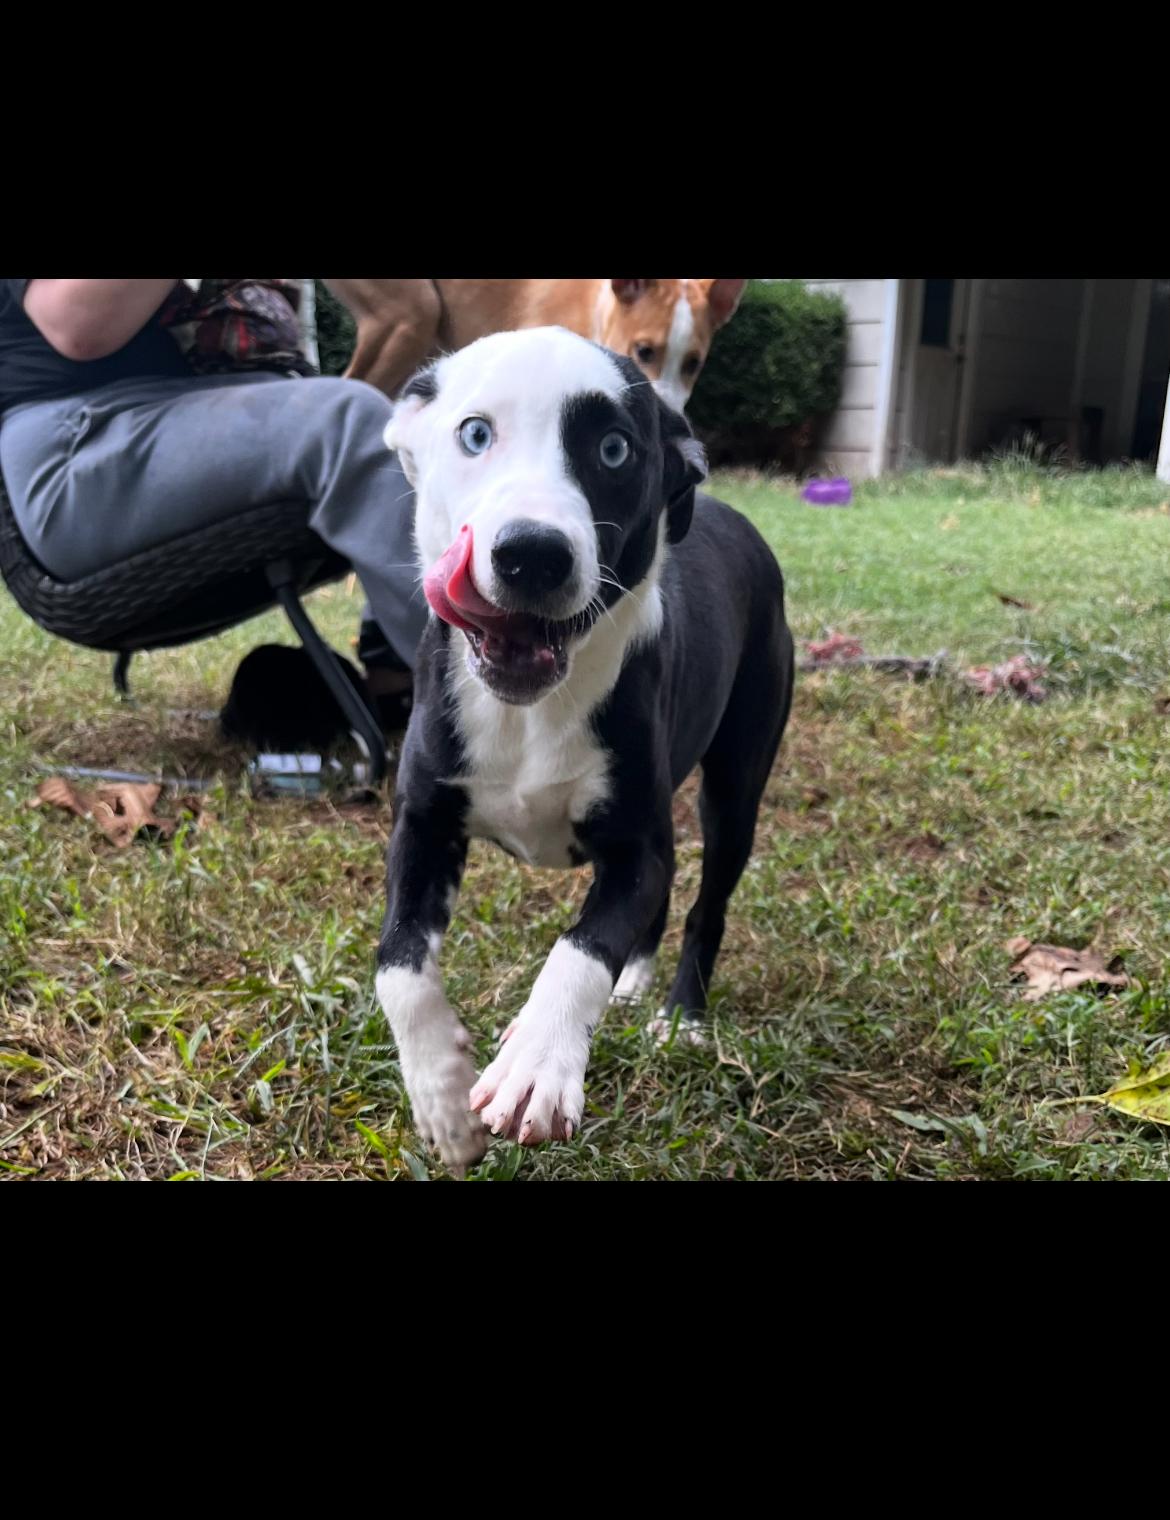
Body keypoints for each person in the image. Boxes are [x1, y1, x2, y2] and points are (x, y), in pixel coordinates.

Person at [0, 278, 425, 722]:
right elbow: (77, 323)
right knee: (349, 422)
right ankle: (468, 704)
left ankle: (400, 680)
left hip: (173, 410)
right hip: (83, 444)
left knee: (416, 425)